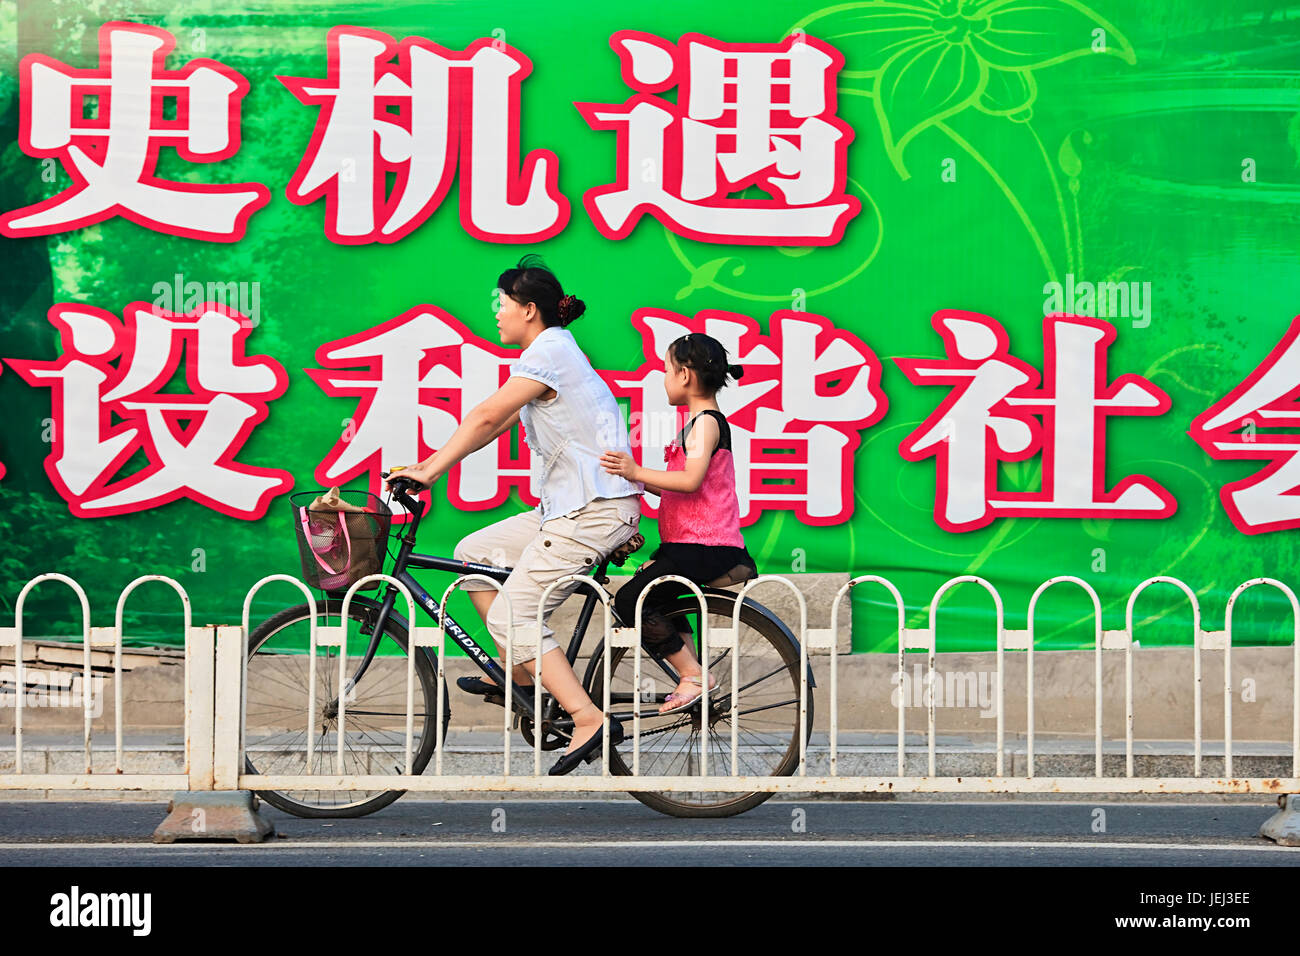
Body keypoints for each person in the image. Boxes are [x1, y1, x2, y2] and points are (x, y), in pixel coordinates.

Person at [385, 254, 642, 776]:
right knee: (474, 553)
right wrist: (429, 463)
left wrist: (429, 473)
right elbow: (491, 427)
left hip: (593, 511)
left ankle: (587, 717)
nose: (495, 313)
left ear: (528, 310)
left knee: (511, 614)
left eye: (500, 304)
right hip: (568, 508)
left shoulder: (550, 351)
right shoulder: (552, 352)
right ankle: (525, 675)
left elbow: (485, 414)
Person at [600, 332, 757, 714]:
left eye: (667, 369)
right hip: (687, 544)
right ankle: (694, 673)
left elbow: (689, 481)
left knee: (628, 599)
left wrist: (638, 470)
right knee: (659, 598)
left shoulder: (705, 423)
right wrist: (636, 479)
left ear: (685, 375)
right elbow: (680, 490)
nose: (665, 377)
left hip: (705, 546)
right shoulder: (695, 424)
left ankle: (693, 674)